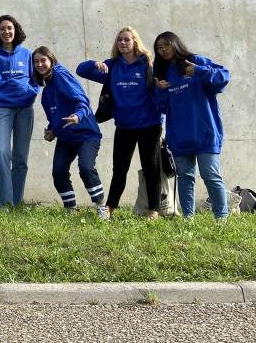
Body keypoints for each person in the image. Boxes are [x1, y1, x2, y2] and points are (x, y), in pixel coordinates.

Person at [76, 26, 162, 220]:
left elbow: (160, 88)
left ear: (135, 42)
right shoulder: (112, 66)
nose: (123, 43)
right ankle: (110, 207)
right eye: (120, 40)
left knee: (151, 168)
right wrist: (95, 64)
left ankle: (154, 210)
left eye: (127, 40)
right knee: (119, 169)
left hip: (150, 126)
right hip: (124, 127)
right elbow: (81, 70)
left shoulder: (147, 64)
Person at [153, 31, 231, 220]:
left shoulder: (194, 61)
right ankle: (189, 218)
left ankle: (221, 218)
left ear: (175, 43)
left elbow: (224, 77)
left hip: (205, 133)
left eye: (166, 45)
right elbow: (162, 108)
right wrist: (161, 90)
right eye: (159, 48)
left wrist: (199, 71)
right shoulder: (163, 73)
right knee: (186, 178)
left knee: (211, 176)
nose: (163, 50)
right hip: (180, 136)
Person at [34, 46, 107, 218]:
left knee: (86, 168)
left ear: (52, 60)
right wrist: (51, 131)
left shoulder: (60, 74)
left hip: (86, 135)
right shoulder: (46, 93)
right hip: (66, 138)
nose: (40, 64)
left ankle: (101, 207)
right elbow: (54, 119)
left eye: (43, 60)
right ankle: (71, 209)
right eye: (36, 61)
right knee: (58, 171)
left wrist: (77, 116)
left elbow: (82, 100)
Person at [0, 14, 38, 207]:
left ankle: (16, 201)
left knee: (20, 157)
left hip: (24, 109)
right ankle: (5, 203)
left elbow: (36, 79)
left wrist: (30, 92)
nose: (6, 32)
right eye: (2, 29)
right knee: (2, 152)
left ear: (16, 30)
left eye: (10, 28)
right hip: (2, 110)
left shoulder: (27, 54)